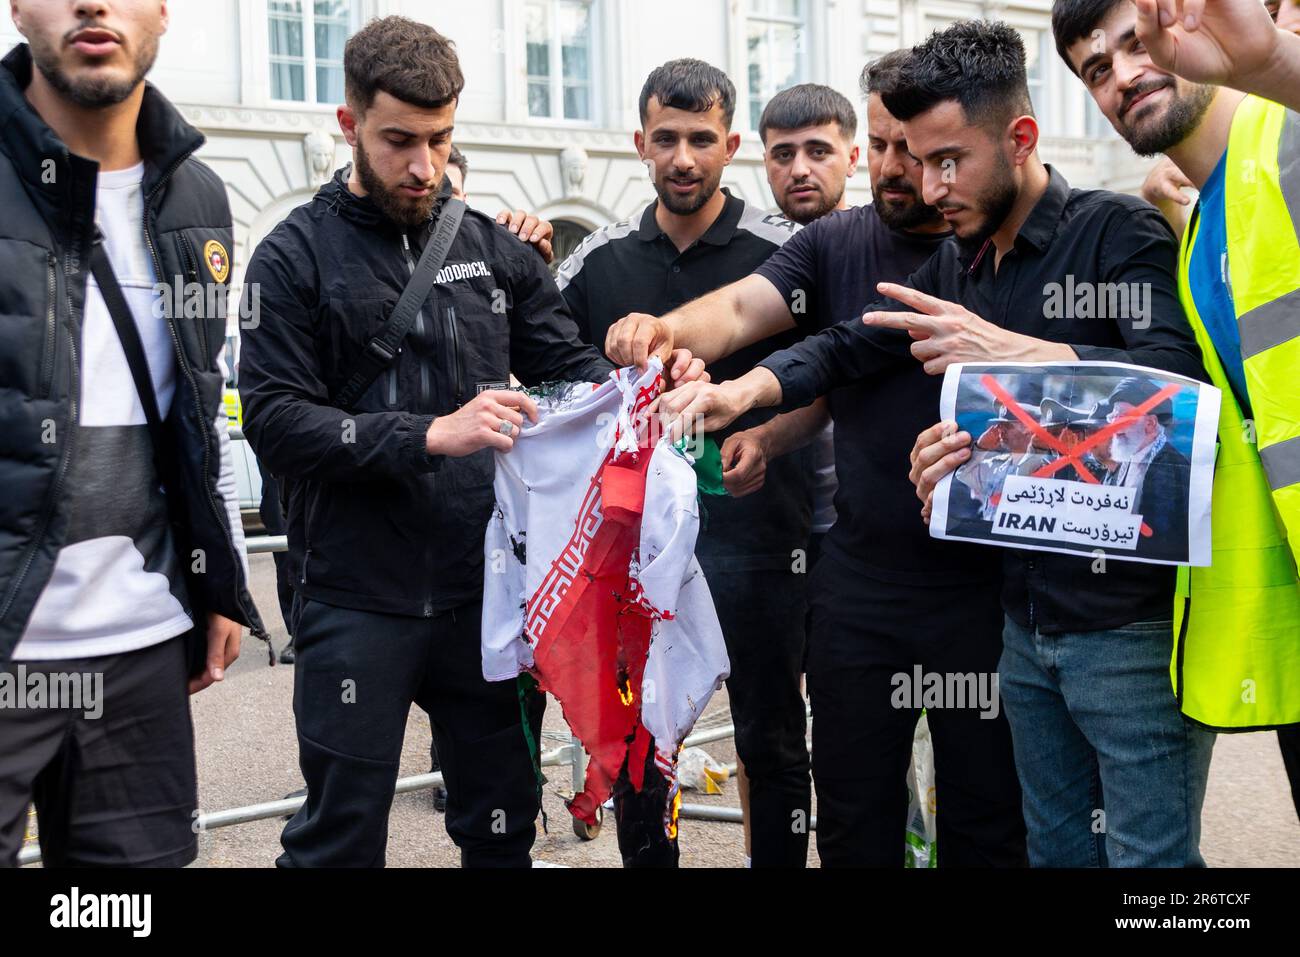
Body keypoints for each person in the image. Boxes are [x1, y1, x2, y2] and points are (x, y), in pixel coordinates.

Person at [615, 20, 1216, 867]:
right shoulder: (962, 262)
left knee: (1145, 862)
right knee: (1049, 851)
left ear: (1020, 138)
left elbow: (1179, 386)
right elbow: (851, 342)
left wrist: (1008, 358)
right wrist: (738, 393)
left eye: (946, 160)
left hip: (1124, 628)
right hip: (1019, 624)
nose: (930, 187)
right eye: (915, 158)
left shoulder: (1118, 233)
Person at [239, 16, 681, 868]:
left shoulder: (491, 245)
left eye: (441, 140)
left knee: (503, 827)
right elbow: (274, 419)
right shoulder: (290, 256)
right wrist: (430, 434)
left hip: (489, 597)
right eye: (398, 140)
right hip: (353, 593)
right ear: (348, 124)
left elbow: (569, 369)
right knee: (337, 837)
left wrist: (646, 383)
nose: (423, 166)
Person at [600, 50, 1029, 867]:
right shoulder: (836, 240)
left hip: (986, 587)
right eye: (887, 146)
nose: (907, 170)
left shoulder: (996, 244)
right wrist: (666, 332)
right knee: (853, 819)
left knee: (987, 821)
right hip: (860, 582)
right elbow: (740, 311)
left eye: (927, 152)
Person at [0, 0, 265, 867]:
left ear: (161, 9)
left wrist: (217, 569)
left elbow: (198, 402)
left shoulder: (197, 192)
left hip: (140, 651)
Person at [554, 59, 813, 868]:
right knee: (639, 747)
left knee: (771, 739)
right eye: (666, 138)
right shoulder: (594, 261)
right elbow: (545, 374)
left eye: (703, 139)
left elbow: (833, 376)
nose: (684, 158)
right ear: (640, 142)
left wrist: (765, 436)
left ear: (731, 144)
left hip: (768, 543)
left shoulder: (788, 252)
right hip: (635, 559)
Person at [1044, 0, 1300, 808]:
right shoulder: (1195, 232)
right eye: (1096, 69)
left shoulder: (1287, 137)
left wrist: (1270, 65)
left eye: (1138, 42)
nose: (1125, 74)